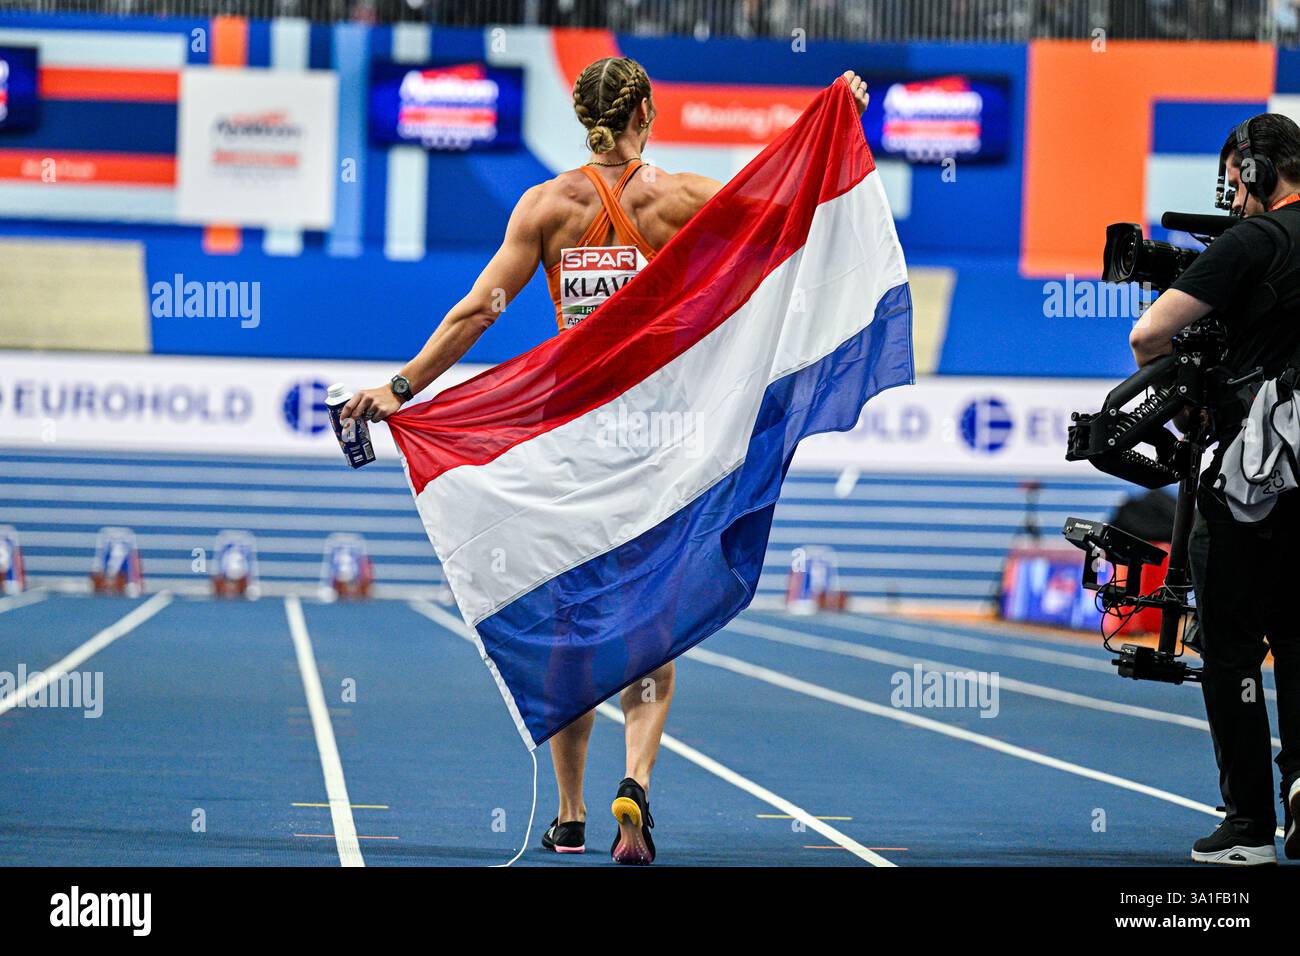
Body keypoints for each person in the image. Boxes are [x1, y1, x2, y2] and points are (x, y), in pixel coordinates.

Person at [344, 58, 871, 864]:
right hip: (658, 443)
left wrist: (403, 385)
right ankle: (637, 784)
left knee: (571, 623)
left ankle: (569, 813)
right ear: (646, 116)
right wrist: (836, 119)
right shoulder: (681, 199)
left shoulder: (547, 207)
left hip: (573, 440)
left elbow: (481, 308)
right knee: (650, 623)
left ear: (583, 118)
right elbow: (787, 214)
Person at [1129, 113, 1300, 865]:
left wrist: (1203, 374)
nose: (1232, 196)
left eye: (1235, 181)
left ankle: (1248, 827)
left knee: (1229, 647)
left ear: (1258, 174)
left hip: (1251, 478)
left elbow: (1150, 334)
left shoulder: (1252, 241)